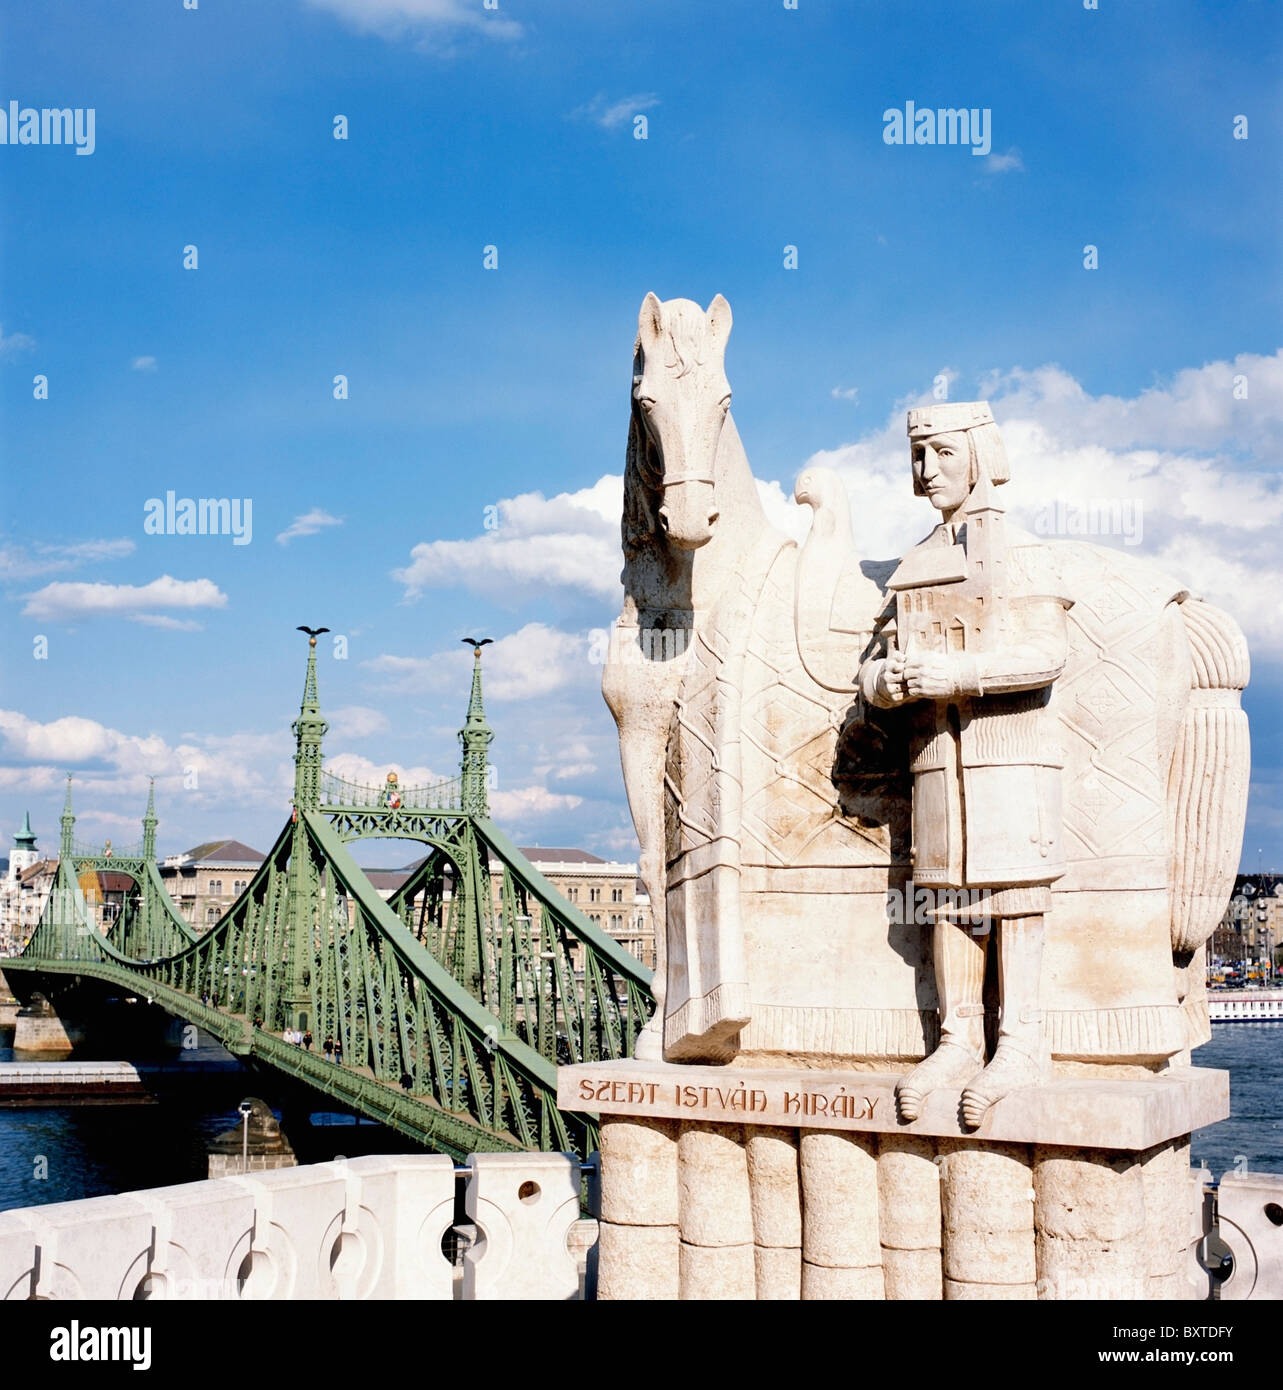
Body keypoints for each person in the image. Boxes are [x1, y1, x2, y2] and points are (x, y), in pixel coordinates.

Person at [857, 401, 1071, 1128]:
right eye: (916, 456)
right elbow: (874, 666)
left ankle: (1021, 1040)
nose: (925, 472)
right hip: (933, 761)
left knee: (1013, 894)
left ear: (979, 454)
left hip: (1008, 755)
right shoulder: (918, 561)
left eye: (941, 453)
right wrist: (883, 684)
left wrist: (957, 676)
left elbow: (1045, 654)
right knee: (946, 895)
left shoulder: (1025, 552)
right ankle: (958, 1039)